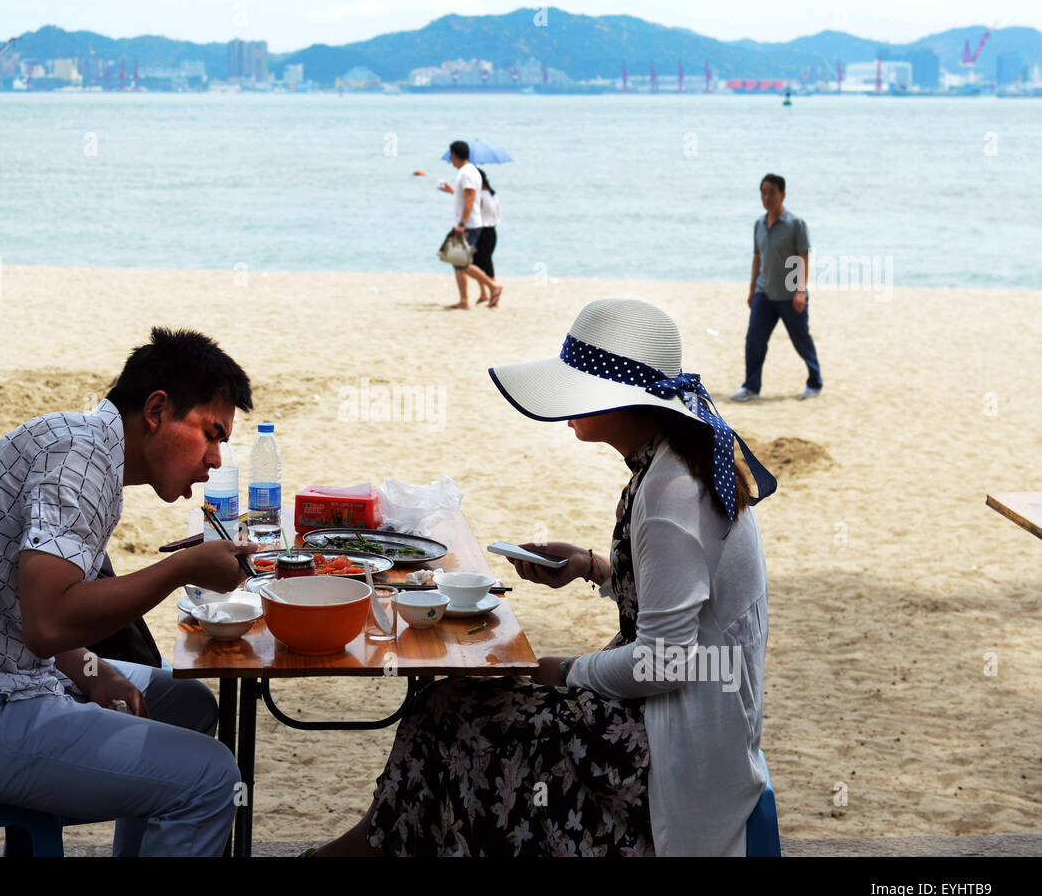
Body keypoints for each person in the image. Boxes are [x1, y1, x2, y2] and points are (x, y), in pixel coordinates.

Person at [313, 299, 778, 856]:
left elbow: (665, 661)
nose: (567, 408)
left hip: (666, 740)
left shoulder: (669, 489)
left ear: (622, 399)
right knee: (444, 708)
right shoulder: (676, 463)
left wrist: (558, 670)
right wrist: (592, 568)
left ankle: (347, 854)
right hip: (668, 711)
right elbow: (685, 599)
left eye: (577, 389)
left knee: (449, 718)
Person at [0, 327, 260, 856]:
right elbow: (48, 623)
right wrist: (180, 568)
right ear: (156, 410)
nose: (215, 459)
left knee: (187, 703)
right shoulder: (77, 459)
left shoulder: (86, 448)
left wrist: (93, 672)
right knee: (212, 779)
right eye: (211, 434)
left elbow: (37, 616)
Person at [731, 173, 823, 402]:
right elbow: (757, 258)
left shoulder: (796, 224)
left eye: (772, 192)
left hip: (790, 296)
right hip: (764, 293)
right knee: (754, 339)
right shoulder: (759, 224)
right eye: (763, 192)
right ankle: (751, 387)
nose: (767, 197)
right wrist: (752, 290)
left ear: (783, 194)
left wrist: (800, 291)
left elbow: (803, 258)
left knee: (801, 341)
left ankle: (815, 383)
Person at [439, 140, 503, 309]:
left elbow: (469, 197)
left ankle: (492, 286)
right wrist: (452, 191)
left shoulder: (467, 172)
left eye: (451, 156)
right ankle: (464, 300)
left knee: (461, 262)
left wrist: (461, 223)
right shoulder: (470, 171)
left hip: (468, 224)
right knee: (456, 261)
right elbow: (467, 197)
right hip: (469, 222)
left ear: (454, 155)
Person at [472, 168, 502, 308]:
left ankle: (492, 290)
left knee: (477, 264)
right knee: (485, 263)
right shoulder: (492, 194)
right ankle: (486, 293)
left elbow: (473, 209)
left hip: (483, 231)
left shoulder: (481, 196)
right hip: (492, 231)